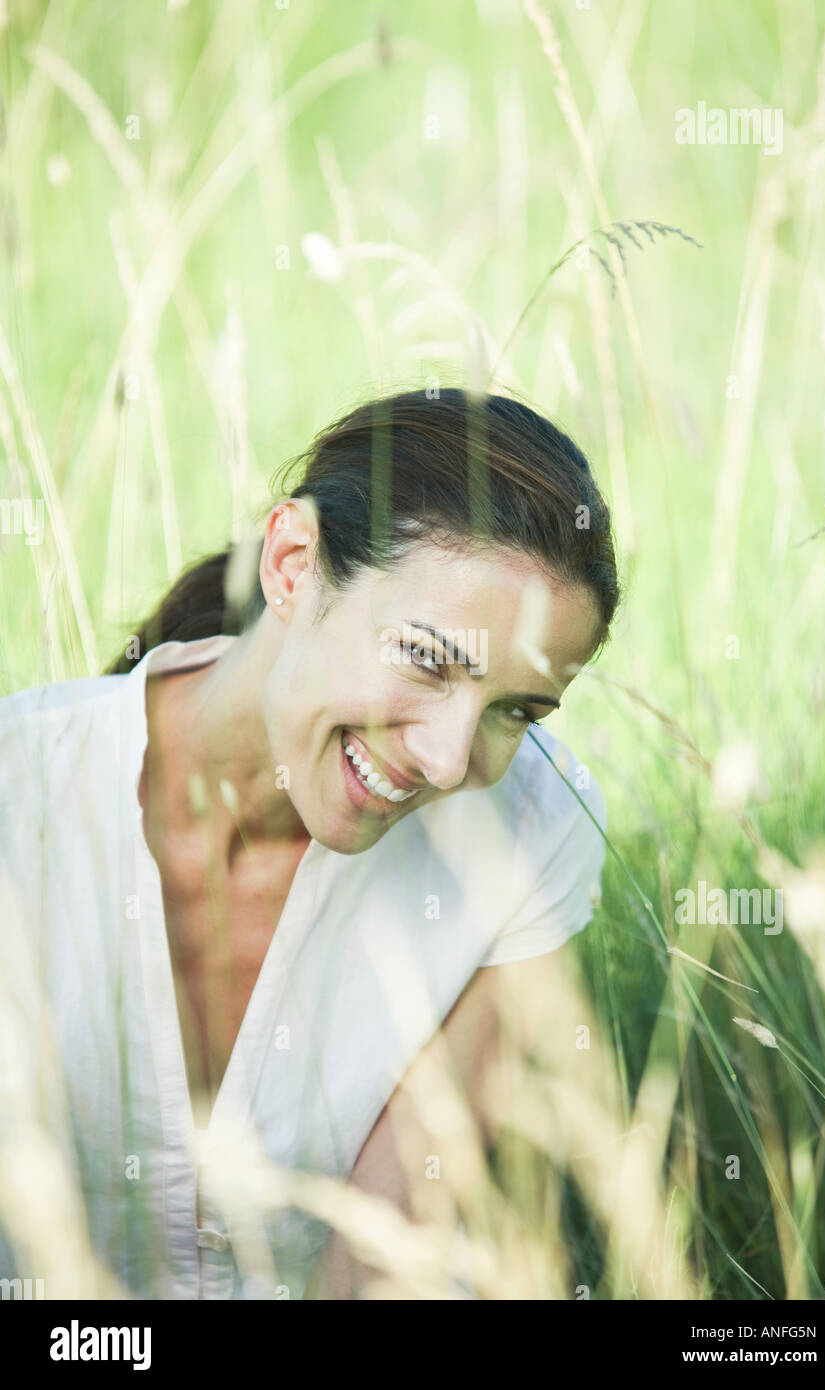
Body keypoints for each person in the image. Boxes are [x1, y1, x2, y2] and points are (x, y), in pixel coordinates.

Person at [0, 386, 620, 1299]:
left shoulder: (534, 832)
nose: (449, 763)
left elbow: (375, 1260)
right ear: (291, 564)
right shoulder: (23, 796)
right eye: (426, 657)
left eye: (515, 712)